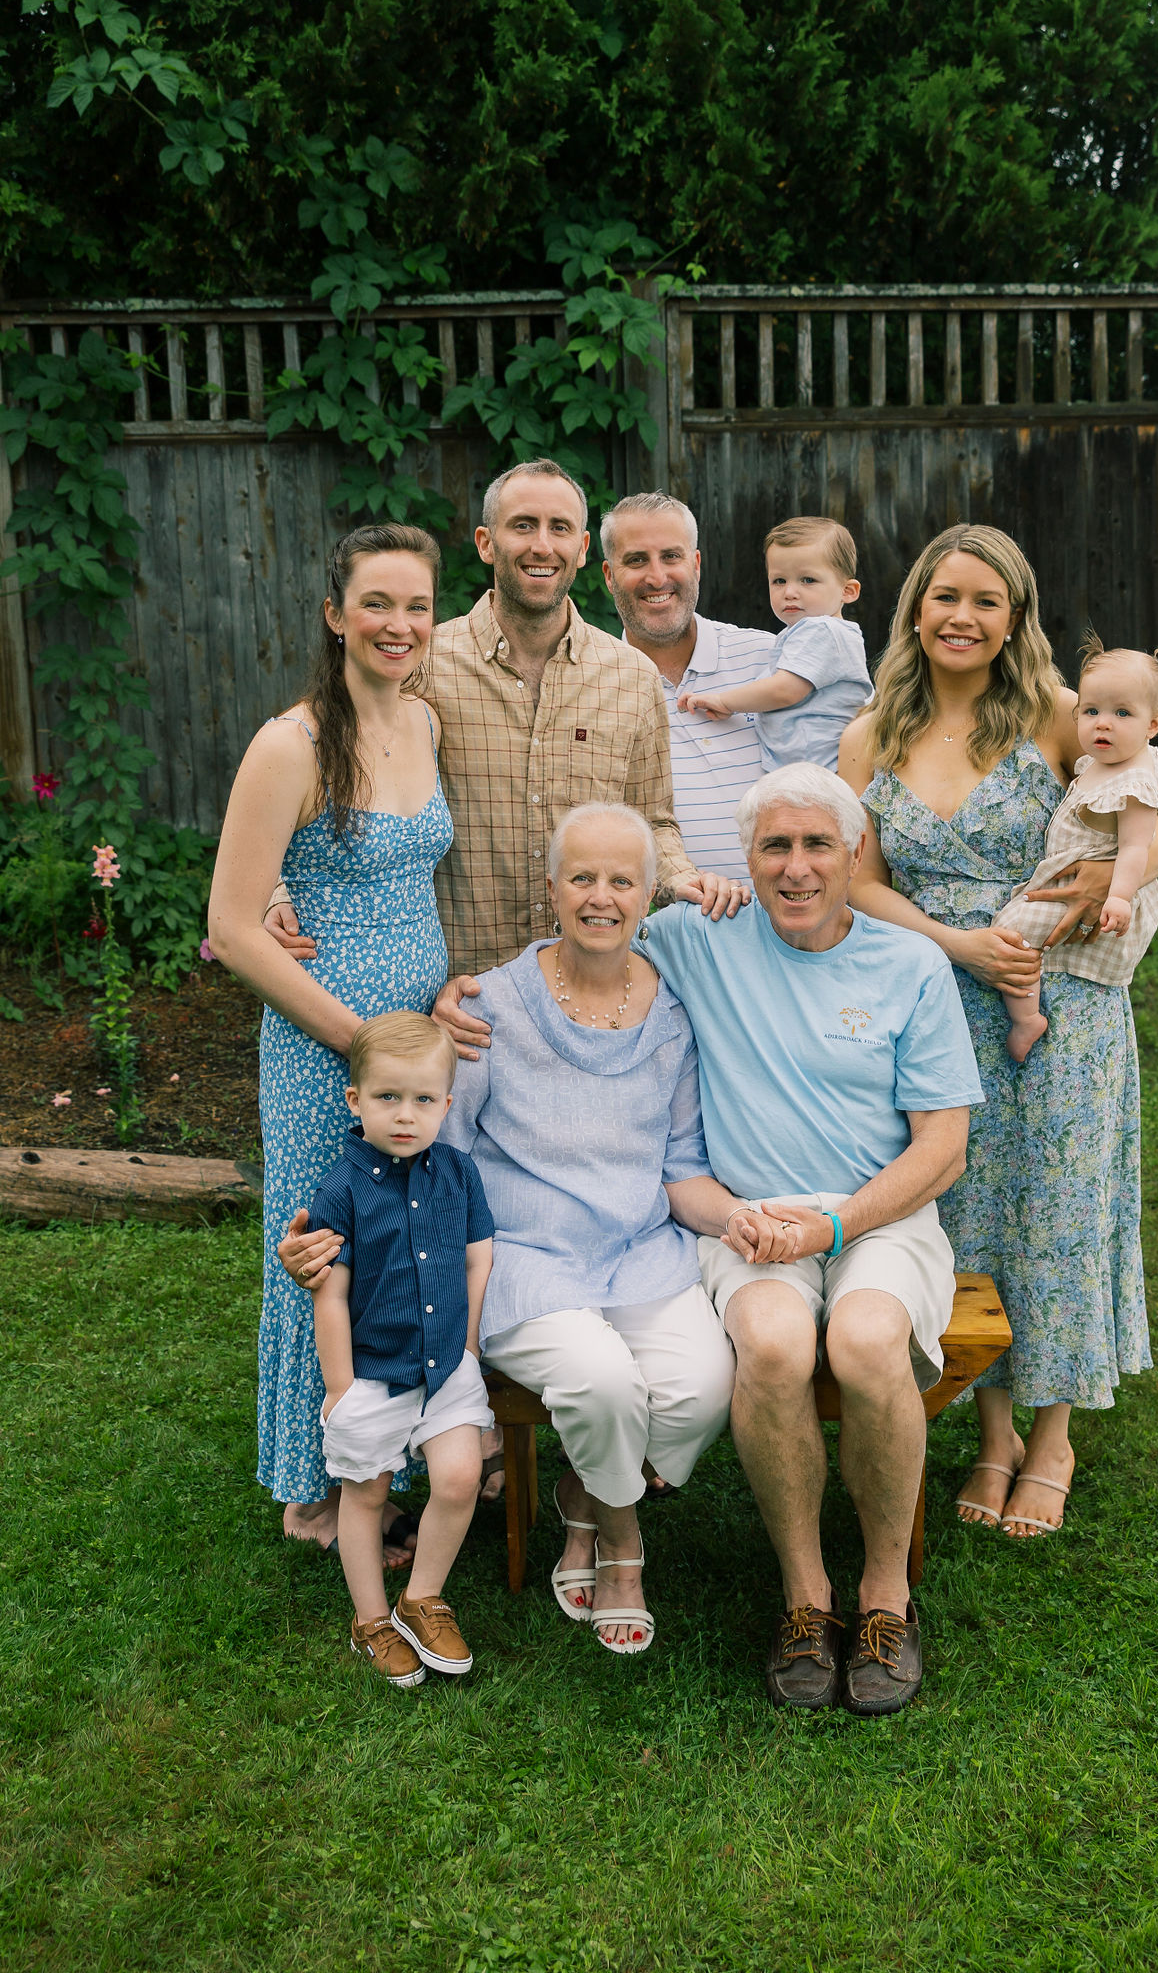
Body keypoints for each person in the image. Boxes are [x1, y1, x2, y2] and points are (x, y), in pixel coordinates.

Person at [436, 765, 984, 1716]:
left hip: (878, 1216)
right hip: (749, 1217)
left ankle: (886, 1595)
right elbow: (586, 937)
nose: (797, 868)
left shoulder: (910, 966)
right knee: (771, 1346)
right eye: (775, 847)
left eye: (819, 845)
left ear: (855, 854)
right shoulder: (697, 937)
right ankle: (806, 1600)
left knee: (861, 1341)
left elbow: (944, 1146)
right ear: (746, 861)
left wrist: (837, 1222)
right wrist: (462, 994)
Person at [281, 804, 790, 1656]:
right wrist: (338, 1230)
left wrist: (735, 1215)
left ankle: (583, 1500)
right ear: (551, 890)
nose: (602, 897)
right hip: (521, 1259)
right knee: (602, 1386)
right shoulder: (489, 1008)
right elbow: (430, 1159)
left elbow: (681, 1169)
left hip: (638, 1253)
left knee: (702, 1390)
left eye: (622, 880)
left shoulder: (672, 1017)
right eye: (582, 878)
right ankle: (620, 1542)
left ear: (648, 893)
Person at [838, 522, 1158, 1541]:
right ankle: (989, 1430)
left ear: (1012, 620)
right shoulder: (870, 733)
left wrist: (1106, 880)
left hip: (1061, 992)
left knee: (1062, 1206)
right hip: (936, 994)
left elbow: (1157, 816)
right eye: (945, 595)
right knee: (967, 1214)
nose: (962, 615)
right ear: (914, 606)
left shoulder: (1057, 713)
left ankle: (1055, 1434)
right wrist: (955, 942)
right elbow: (859, 880)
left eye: (986, 601)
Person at [207, 520, 453, 1563]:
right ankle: (313, 1488)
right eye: (377, 604)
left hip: (417, 1047)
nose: (397, 624)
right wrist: (360, 1043)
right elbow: (229, 923)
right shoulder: (292, 743)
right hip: (328, 1047)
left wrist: (418, 1041)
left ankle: (388, 1460)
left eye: (416, 606)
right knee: (327, 1250)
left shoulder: (427, 722)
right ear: (334, 613)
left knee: (400, 1242)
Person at [266, 462, 746, 982]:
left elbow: (653, 818)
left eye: (559, 528)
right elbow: (314, 757)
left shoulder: (632, 677)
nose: (542, 545)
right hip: (455, 990)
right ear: (485, 542)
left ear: (583, 549)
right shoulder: (421, 663)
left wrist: (684, 878)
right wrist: (276, 888)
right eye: (522, 525)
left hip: (585, 983)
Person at [309, 1013, 496, 1687]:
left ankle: (421, 1596)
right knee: (366, 1494)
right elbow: (330, 1295)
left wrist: (469, 1347)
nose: (406, 1116)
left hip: (448, 1366)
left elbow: (478, 1261)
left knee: (458, 1477)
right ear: (355, 1100)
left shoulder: (458, 1174)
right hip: (375, 1375)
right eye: (388, 1097)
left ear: (447, 1104)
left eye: (423, 1100)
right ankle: (371, 1622)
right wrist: (339, 1388)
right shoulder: (343, 1189)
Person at [997, 636, 1158, 1062]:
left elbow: (1136, 847)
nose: (1103, 724)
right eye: (1092, 711)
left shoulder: (1132, 787)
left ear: (1152, 725)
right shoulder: (1106, 763)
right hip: (1072, 876)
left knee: (1012, 935)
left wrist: (1117, 895)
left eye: (1122, 714)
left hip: (1101, 888)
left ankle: (1027, 1018)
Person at [599, 492, 776, 878]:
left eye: (671, 556)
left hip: (793, 919)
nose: (657, 577)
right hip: (671, 928)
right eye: (636, 560)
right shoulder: (595, 686)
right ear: (609, 576)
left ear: (695, 565)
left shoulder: (772, 659)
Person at [677, 516, 873, 772]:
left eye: (808, 580)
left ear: (848, 591)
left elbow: (785, 691)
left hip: (818, 770)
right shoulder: (805, 633)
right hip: (805, 769)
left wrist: (726, 702)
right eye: (779, 581)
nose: (790, 591)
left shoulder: (822, 630)